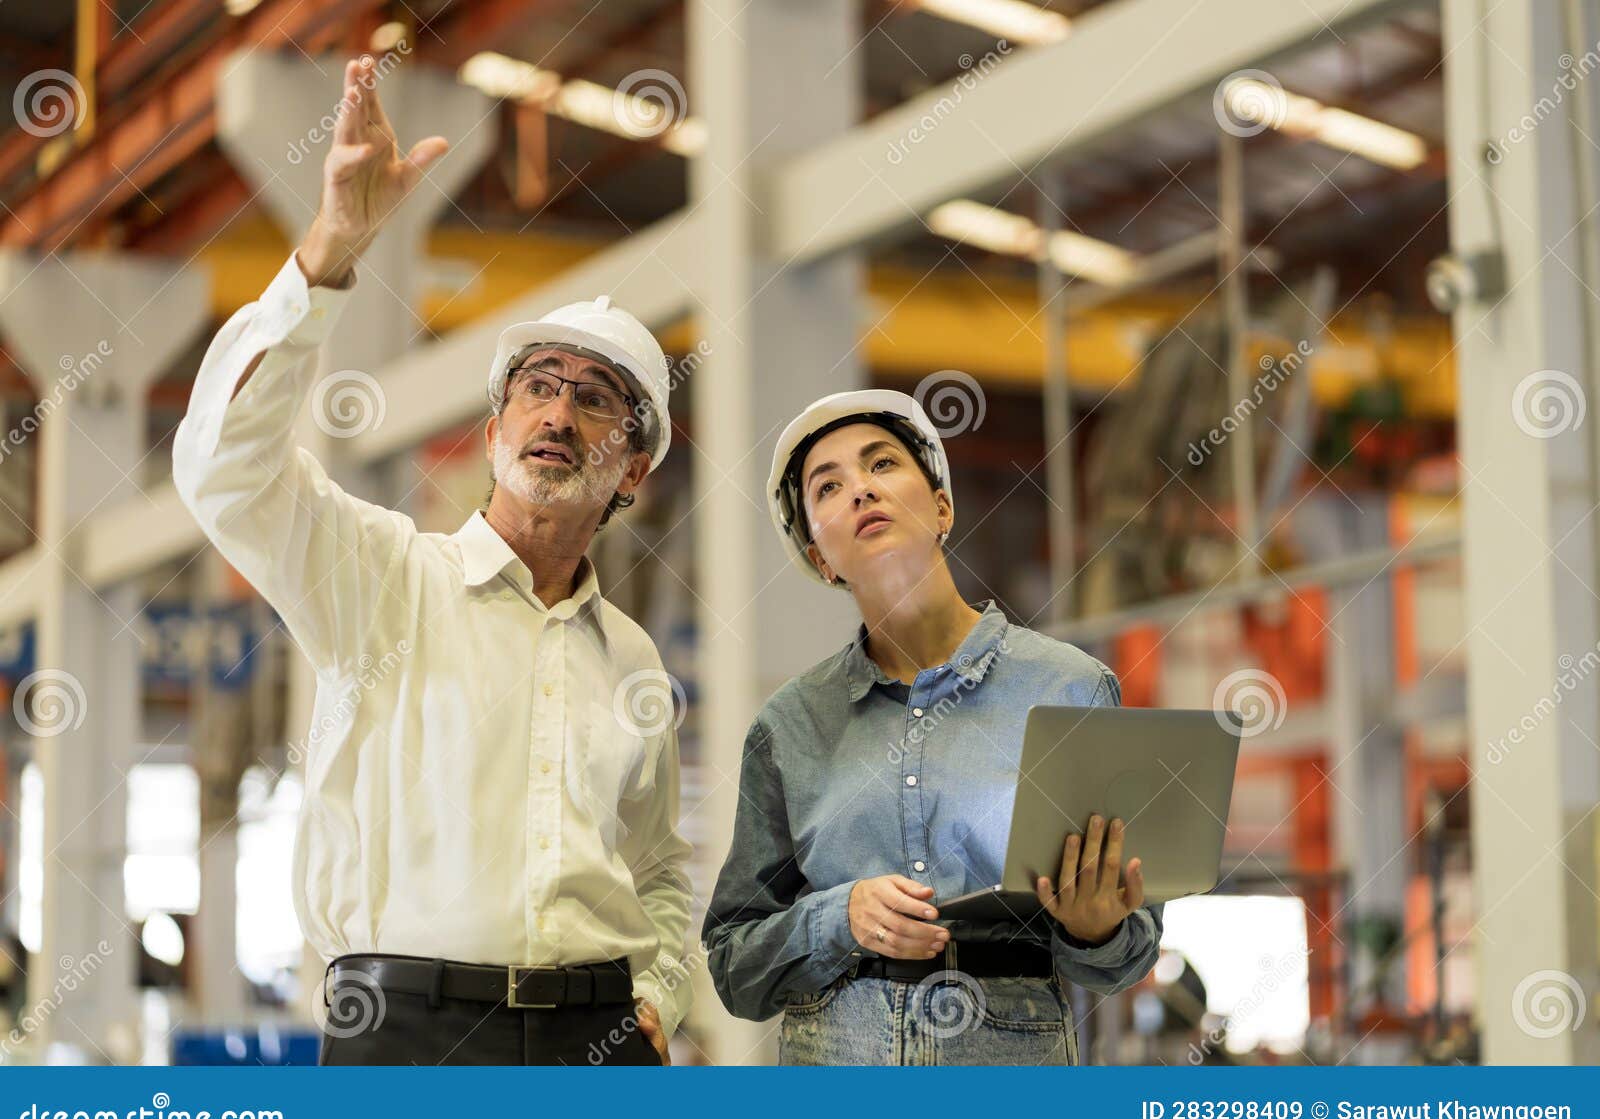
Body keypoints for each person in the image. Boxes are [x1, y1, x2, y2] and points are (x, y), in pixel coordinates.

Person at [173, 57, 692, 1066]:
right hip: (408, 1037)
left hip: (602, 1044)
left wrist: (661, 995)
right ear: (496, 428)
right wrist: (328, 252)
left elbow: (661, 864)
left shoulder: (631, 660)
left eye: (596, 399)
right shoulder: (379, 577)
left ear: (631, 470)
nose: (558, 412)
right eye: (539, 385)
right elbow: (221, 470)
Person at [701, 390, 1161, 1065]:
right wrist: (840, 917)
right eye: (828, 486)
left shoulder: (1069, 688)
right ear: (820, 557)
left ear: (942, 508)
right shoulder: (788, 727)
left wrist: (1098, 930)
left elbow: (1131, 952)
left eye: (881, 464)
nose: (859, 490)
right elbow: (734, 968)